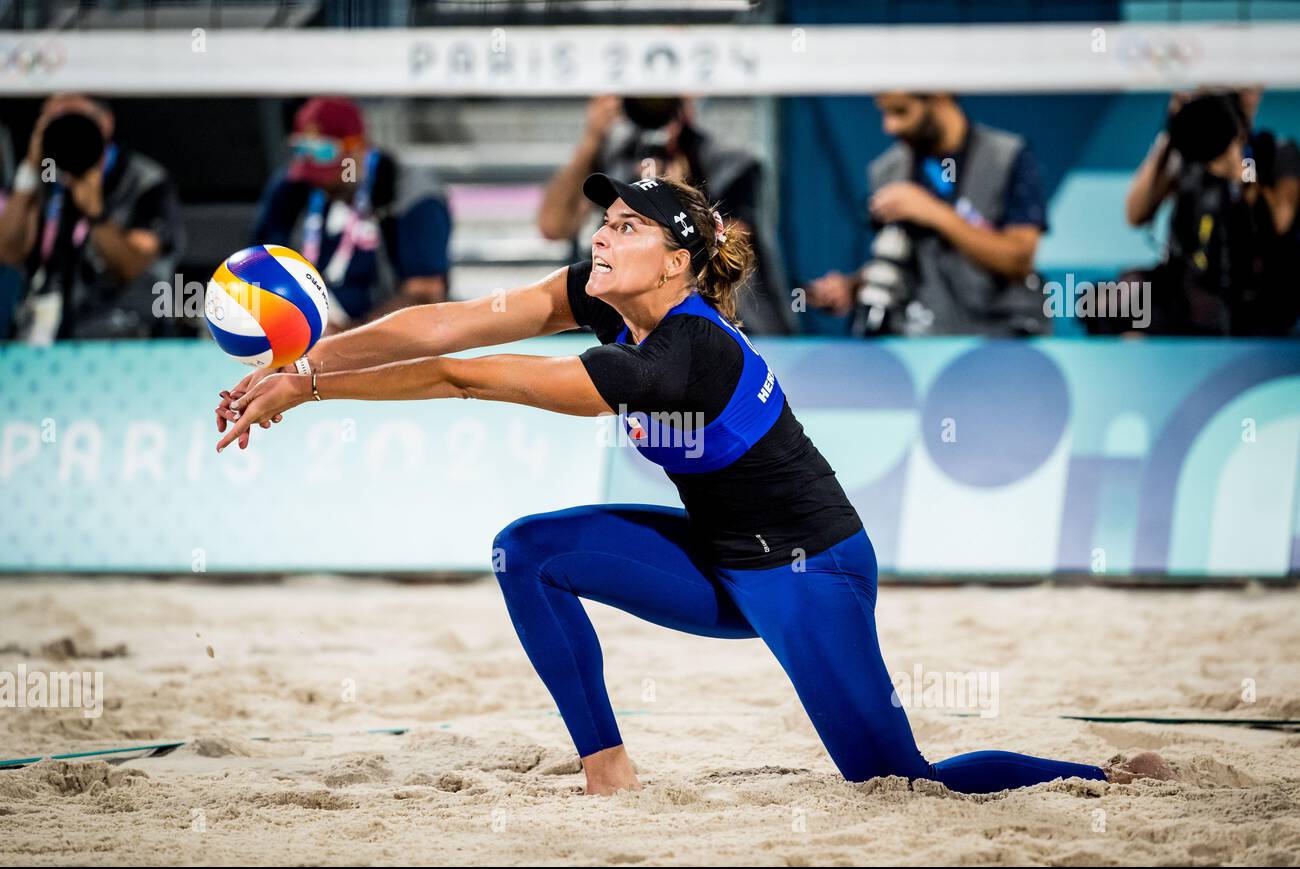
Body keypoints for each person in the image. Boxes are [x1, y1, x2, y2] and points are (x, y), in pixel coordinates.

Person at [214, 173, 1171, 797]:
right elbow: (445, 326)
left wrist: (309, 388)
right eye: (604, 221)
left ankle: (1107, 775)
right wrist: (304, 363)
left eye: (625, 227)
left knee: (898, 780)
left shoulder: (685, 353)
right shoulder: (604, 299)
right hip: (716, 559)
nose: (602, 234)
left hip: (808, 570)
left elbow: (464, 378)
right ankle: (608, 770)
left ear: (675, 262)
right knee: (527, 552)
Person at [538, 95, 794, 335]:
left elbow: (730, 251)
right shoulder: (616, 154)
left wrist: (676, 197)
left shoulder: (729, 162)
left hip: (721, 322)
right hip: (614, 321)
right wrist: (591, 140)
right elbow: (553, 227)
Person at [808, 91, 1049, 336]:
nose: (889, 126)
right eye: (884, 113)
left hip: (1001, 338)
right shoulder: (887, 171)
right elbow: (903, 263)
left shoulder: (1006, 156)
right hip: (921, 342)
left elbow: (1019, 260)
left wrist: (933, 212)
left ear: (939, 96)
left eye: (901, 111)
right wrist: (854, 287)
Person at [251, 96, 452, 334]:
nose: (318, 182)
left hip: (386, 339)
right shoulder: (292, 186)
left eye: (327, 168)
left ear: (359, 148)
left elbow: (426, 295)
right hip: (301, 330)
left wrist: (347, 338)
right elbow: (258, 270)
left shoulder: (412, 194)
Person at [1112, 87, 1300, 336]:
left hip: (1254, 292)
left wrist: (1241, 170)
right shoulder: (1187, 154)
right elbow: (1135, 215)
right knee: (1113, 303)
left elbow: (1282, 221)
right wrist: (1171, 134)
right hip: (1187, 287)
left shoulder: (1274, 151)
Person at [0, 94, 183, 341]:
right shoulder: (42, 177)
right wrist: (29, 173)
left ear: (105, 123)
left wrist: (96, 214)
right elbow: (8, 252)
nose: (66, 130)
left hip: (119, 337)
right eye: (54, 120)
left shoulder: (144, 180)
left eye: (74, 119)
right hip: (38, 335)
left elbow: (131, 266)